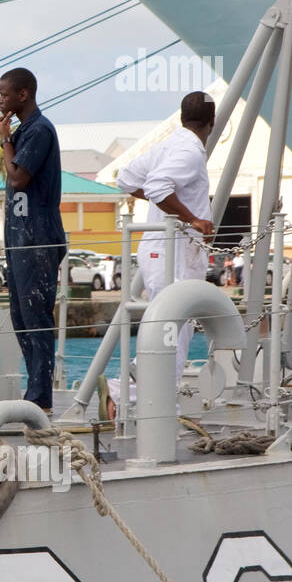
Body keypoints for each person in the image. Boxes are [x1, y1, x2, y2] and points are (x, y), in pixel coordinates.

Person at [114, 91, 215, 389]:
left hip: (158, 252)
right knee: (173, 333)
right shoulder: (191, 152)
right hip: (175, 255)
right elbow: (157, 186)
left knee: (164, 328)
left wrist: (167, 203)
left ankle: (131, 388)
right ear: (212, 122)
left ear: (182, 117)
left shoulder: (169, 144)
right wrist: (191, 219)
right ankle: (132, 398)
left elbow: (126, 178)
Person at [0, 67, 67, 415]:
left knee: (36, 314)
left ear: (23, 94)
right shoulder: (25, 132)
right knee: (20, 315)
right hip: (20, 238)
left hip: (38, 237)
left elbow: (18, 177)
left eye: (5, 94)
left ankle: (40, 395)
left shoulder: (38, 131)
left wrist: (5, 139)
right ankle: (35, 388)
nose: (0, 100)